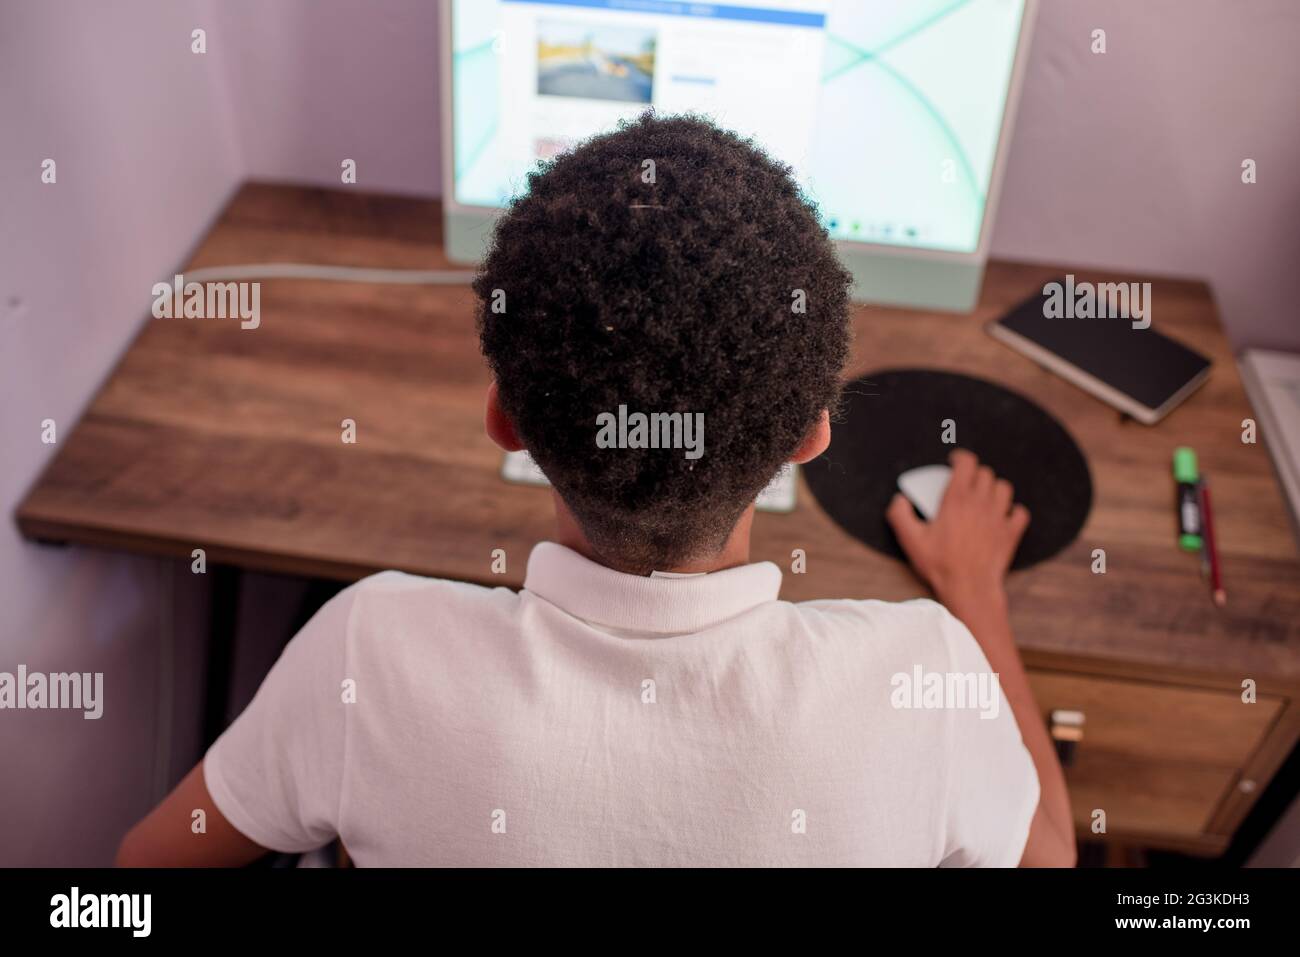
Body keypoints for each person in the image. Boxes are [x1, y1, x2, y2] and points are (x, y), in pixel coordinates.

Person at [118, 113, 1074, 867]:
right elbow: (1050, 855)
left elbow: (139, 866)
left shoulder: (365, 654)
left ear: (505, 418)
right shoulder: (928, 680)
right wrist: (978, 597)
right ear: (809, 436)